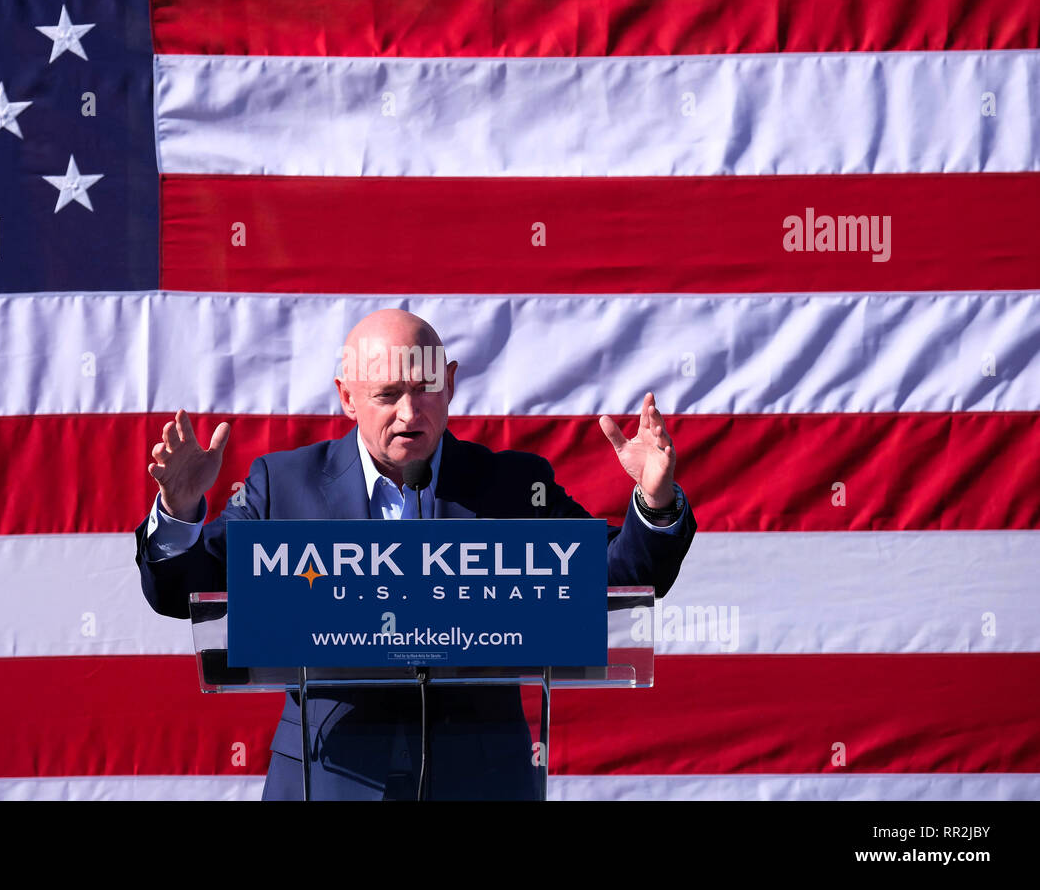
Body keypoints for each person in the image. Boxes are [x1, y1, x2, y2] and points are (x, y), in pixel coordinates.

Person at [134, 309, 696, 799]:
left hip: (482, 780)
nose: (409, 413)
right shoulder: (284, 485)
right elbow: (185, 592)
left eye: (424, 389)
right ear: (347, 397)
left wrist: (655, 499)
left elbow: (620, 582)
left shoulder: (512, 484)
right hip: (329, 781)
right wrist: (179, 511)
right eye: (386, 395)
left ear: (450, 384)